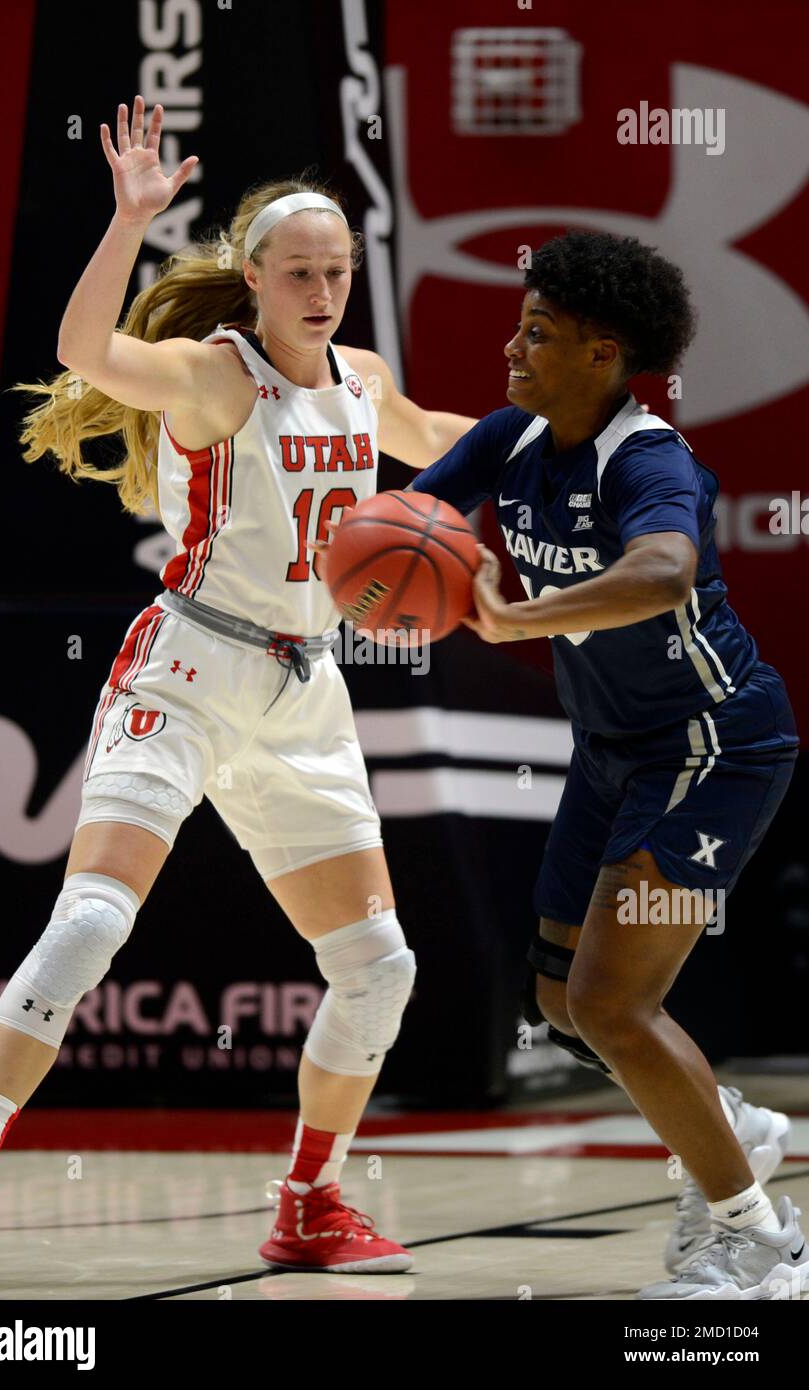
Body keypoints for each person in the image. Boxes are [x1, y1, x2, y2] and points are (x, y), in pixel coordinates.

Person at [0, 97, 477, 1280]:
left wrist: (575, 437)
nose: (324, 288)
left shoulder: (359, 376)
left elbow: (437, 430)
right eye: (299, 270)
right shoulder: (211, 375)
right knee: (90, 921)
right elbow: (87, 355)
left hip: (303, 691)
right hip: (186, 668)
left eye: (338, 268)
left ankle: (308, 1200)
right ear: (251, 274)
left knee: (380, 964)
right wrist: (129, 220)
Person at [405, 230, 806, 1301]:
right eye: (516, 324)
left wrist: (515, 614)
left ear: (602, 351)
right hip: (609, 752)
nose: (510, 347)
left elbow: (666, 569)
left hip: (712, 746)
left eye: (537, 332)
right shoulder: (509, 438)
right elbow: (410, 520)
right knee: (563, 1002)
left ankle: (762, 1244)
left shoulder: (647, 457)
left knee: (615, 1004)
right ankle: (730, 1126)